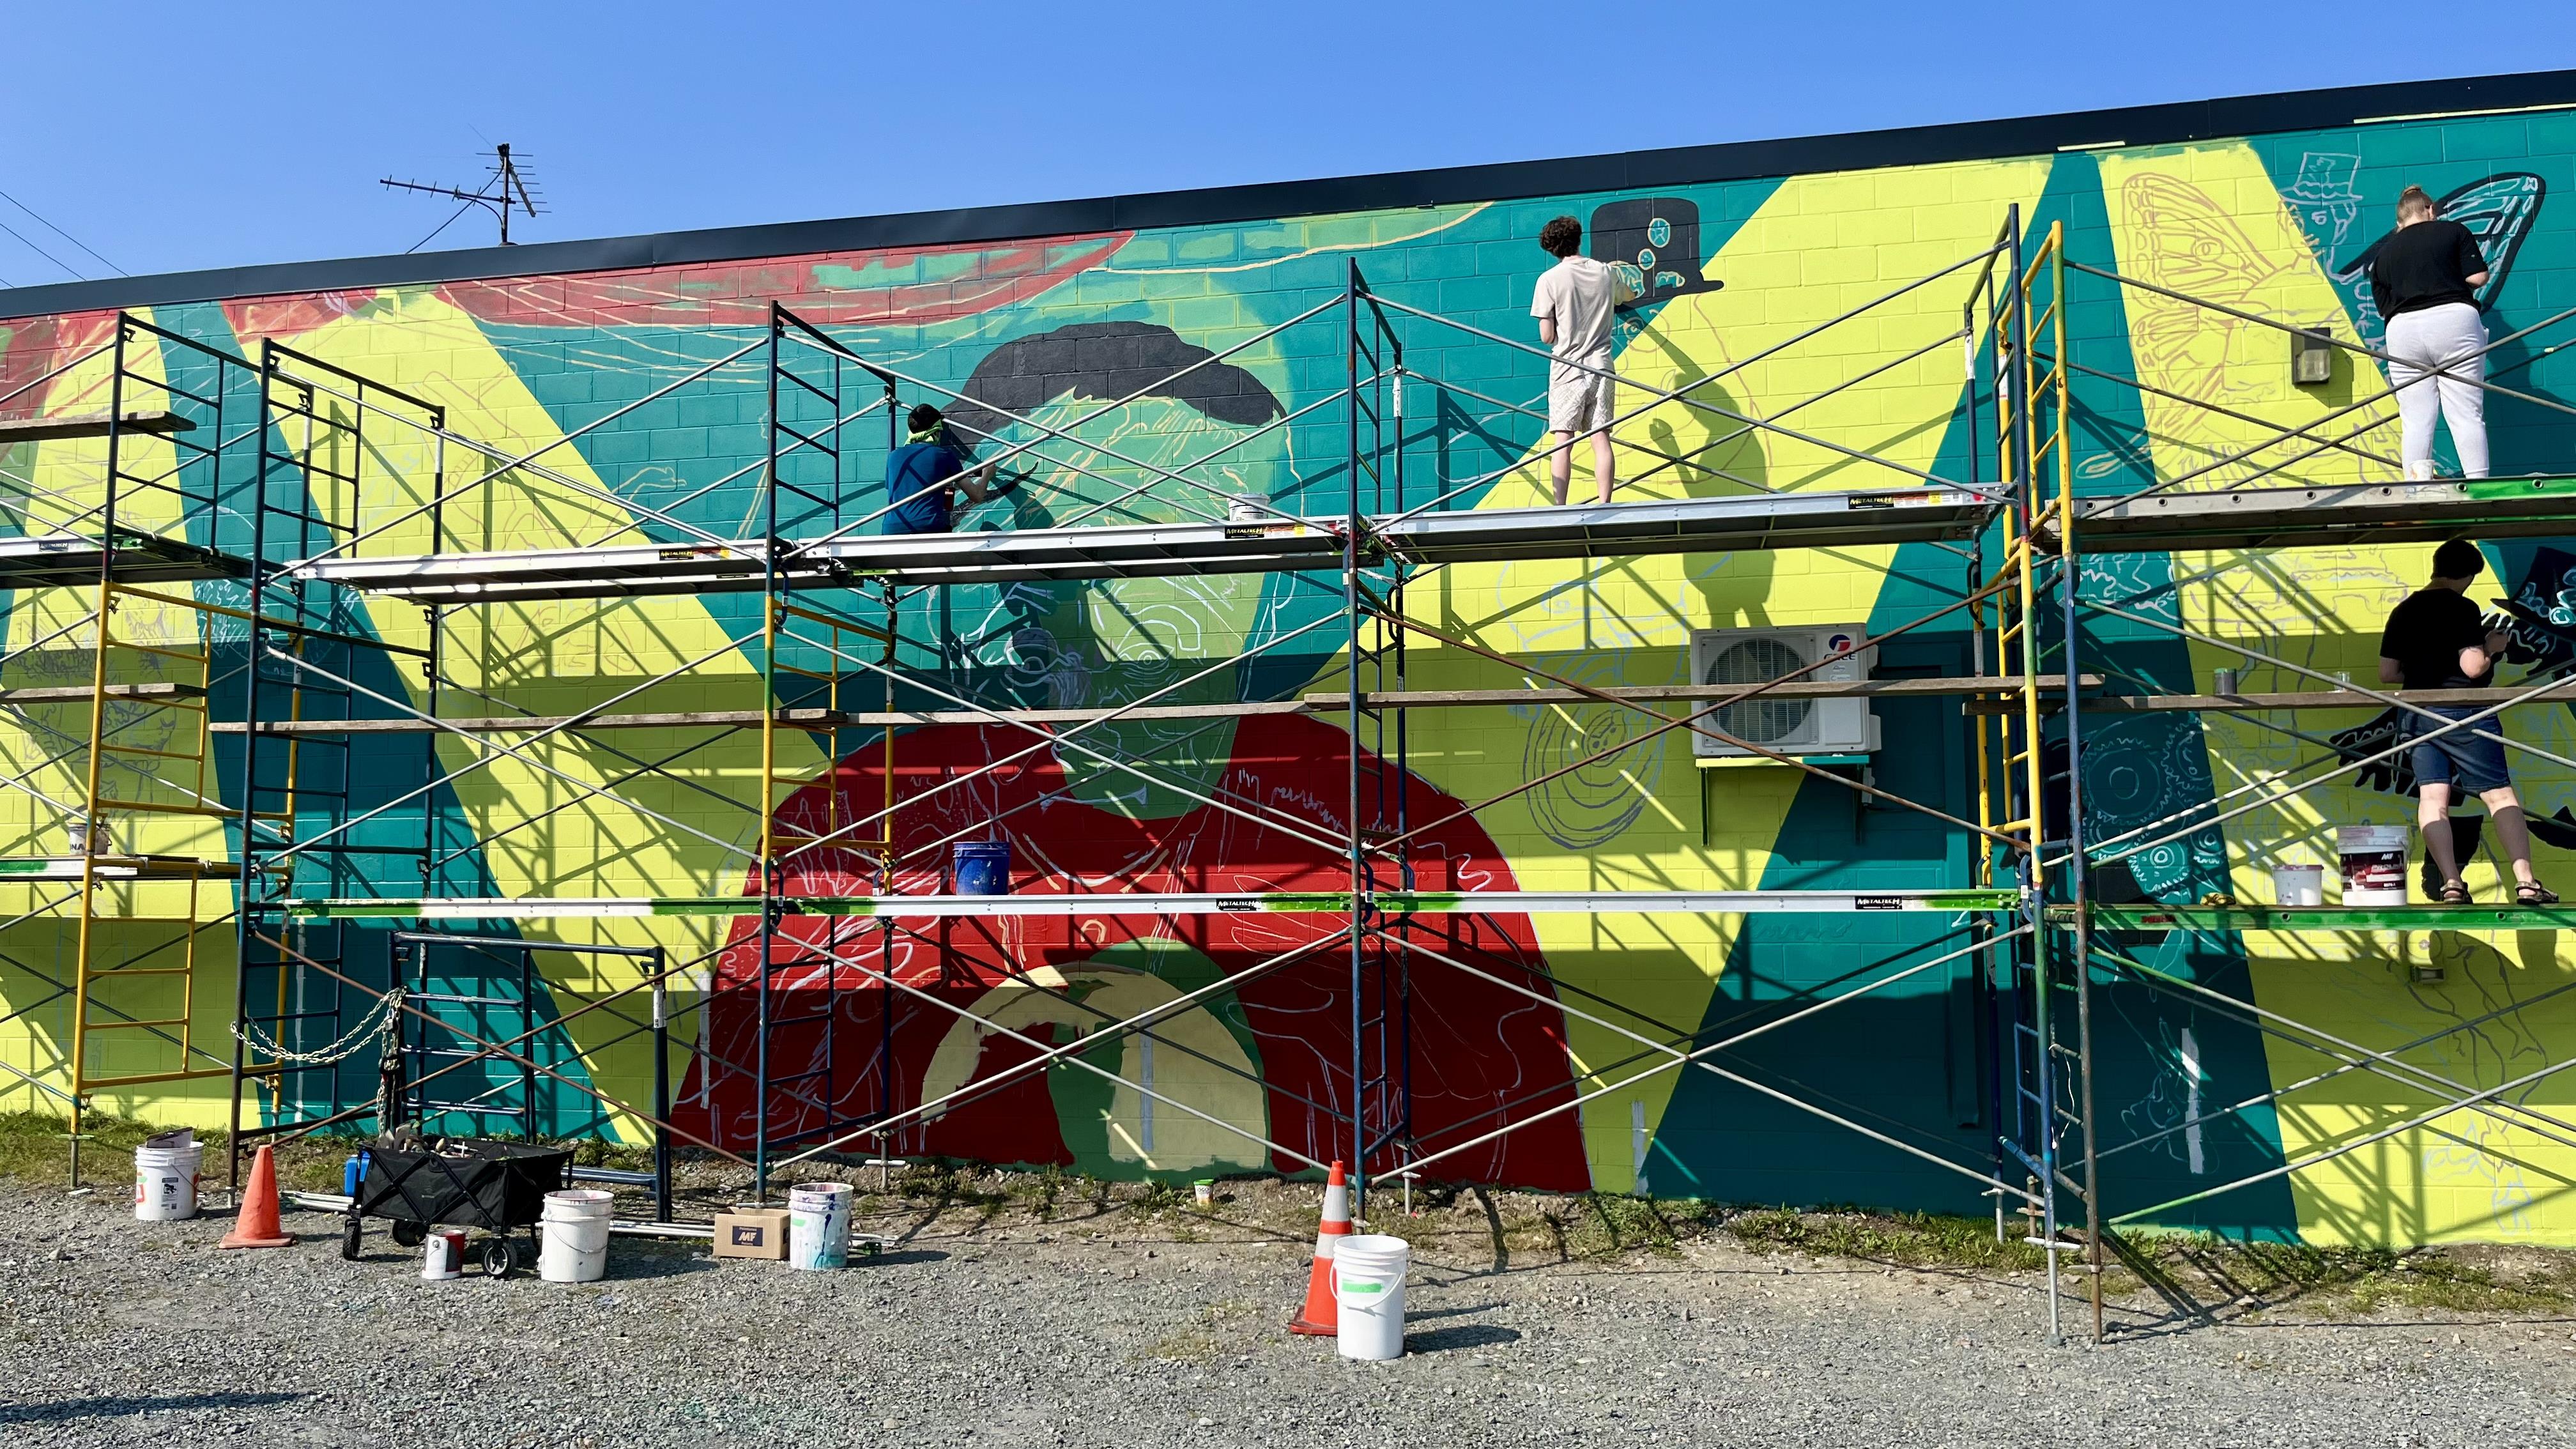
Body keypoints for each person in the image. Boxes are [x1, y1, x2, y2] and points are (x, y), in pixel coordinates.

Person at [2376, 538, 2554, 905]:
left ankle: (2452, 883)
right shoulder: (2462, 607)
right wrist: (2492, 647)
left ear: (2436, 567)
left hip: (2417, 711)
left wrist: (2427, 664)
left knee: (2432, 798)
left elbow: (2387, 674)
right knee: (2499, 795)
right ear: (2471, 575)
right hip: (2464, 710)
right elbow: (2472, 667)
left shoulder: (2404, 610)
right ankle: (2526, 883)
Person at [2368, 185, 2492, 480]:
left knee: (2416, 417)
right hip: (2454, 320)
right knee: (2465, 412)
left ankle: (2415, 487)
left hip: (2403, 330)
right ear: (2430, 210)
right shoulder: (2453, 231)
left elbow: (2384, 309)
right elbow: (2479, 276)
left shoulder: (2382, 256)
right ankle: (2478, 484)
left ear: (2399, 222)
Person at [1530, 215, 1639, 507]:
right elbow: (1626, 295)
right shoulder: (1604, 272)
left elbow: (1546, 336)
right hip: (1602, 365)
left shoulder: (1549, 280)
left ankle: (1560, 506)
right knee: (1601, 439)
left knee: (1563, 440)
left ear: (1552, 248)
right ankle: (1605, 502)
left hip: (1567, 368)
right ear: (1579, 239)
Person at [885, 403, 1001, 535]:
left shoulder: (893, 457)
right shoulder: (943, 454)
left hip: (892, 529)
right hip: (928, 526)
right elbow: (977, 496)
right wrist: (987, 474)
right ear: (936, 432)